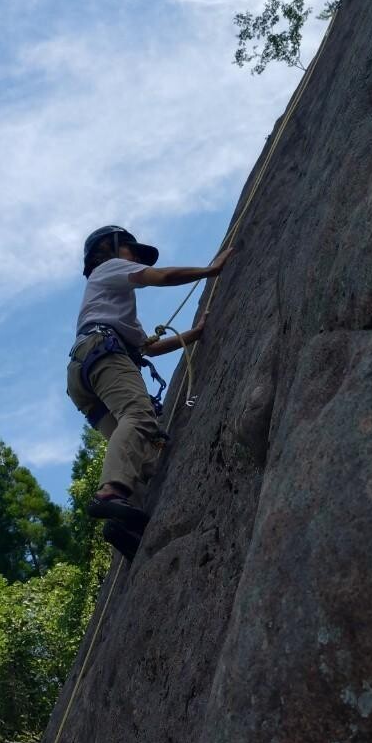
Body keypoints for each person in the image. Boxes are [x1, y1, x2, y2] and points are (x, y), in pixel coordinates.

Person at [67, 225, 232, 539]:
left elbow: (149, 348)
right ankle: (110, 493)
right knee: (140, 416)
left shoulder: (112, 304)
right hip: (103, 354)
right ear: (111, 249)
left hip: (83, 374)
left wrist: (193, 335)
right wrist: (211, 271)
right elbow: (163, 277)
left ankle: (123, 525)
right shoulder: (110, 268)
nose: (138, 259)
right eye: (133, 250)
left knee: (143, 454)